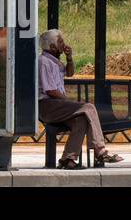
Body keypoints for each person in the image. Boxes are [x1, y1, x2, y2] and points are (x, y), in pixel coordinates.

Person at [38, 29, 123, 168]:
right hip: (47, 105)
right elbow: (51, 91)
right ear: (52, 47)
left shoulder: (55, 62)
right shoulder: (44, 62)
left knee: (81, 120)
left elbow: (70, 73)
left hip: (57, 105)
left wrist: (69, 57)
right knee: (88, 107)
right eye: (60, 41)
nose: (63, 43)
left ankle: (68, 160)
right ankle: (100, 151)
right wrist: (70, 102)